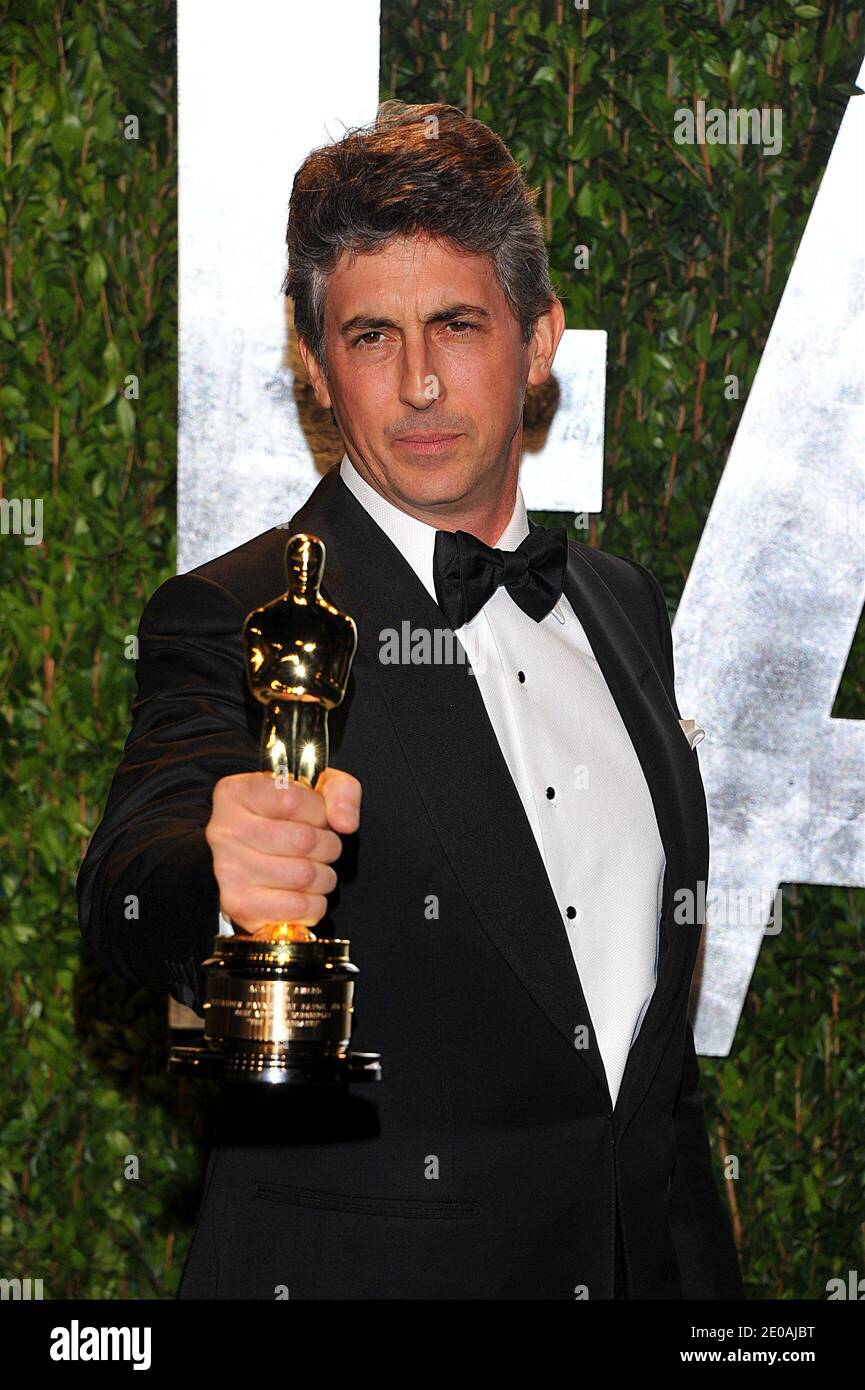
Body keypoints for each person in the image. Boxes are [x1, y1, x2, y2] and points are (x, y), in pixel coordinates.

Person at [77, 100, 744, 1300]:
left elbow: (645, 1071)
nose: (422, 381)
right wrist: (217, 884)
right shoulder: (235, 614)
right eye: (373, 336)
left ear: (538, 338)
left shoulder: (620, 604)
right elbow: (133, 879)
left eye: (456, 324)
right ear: (317, 368)